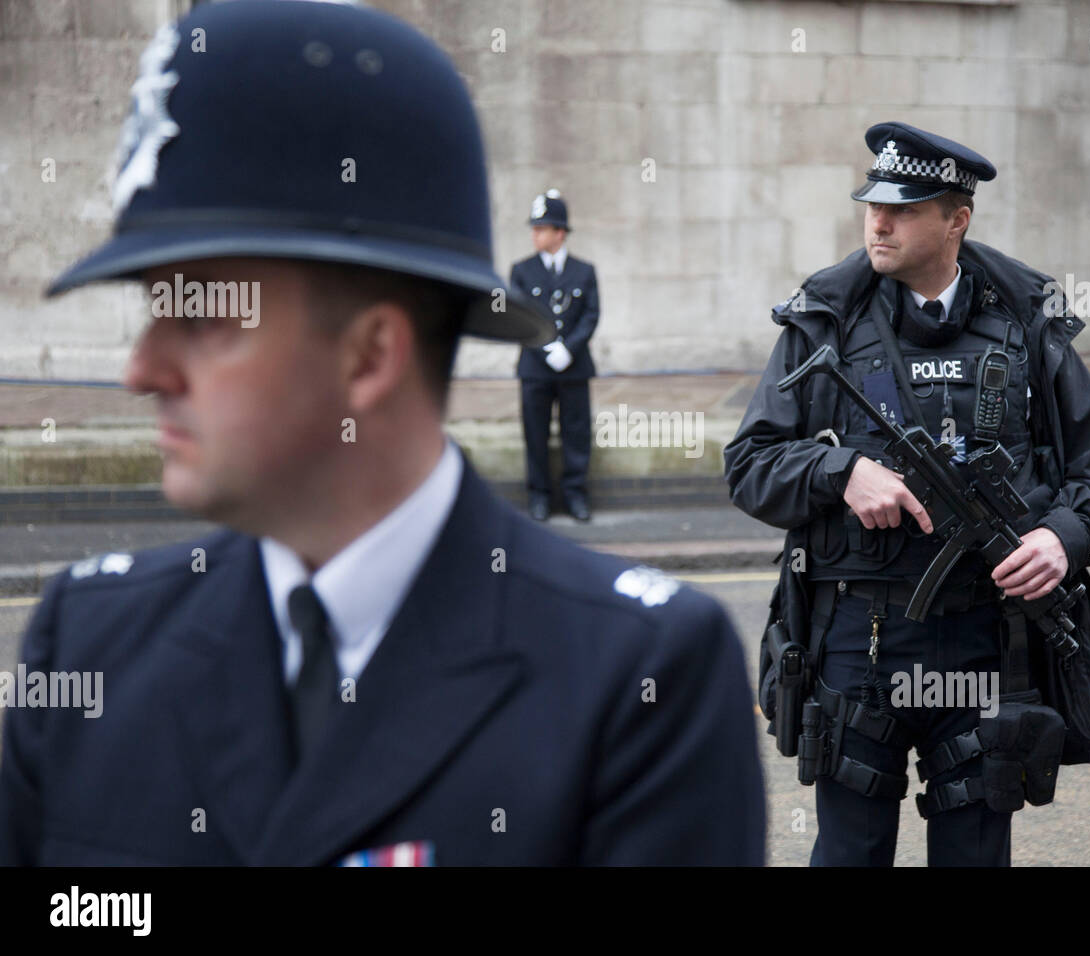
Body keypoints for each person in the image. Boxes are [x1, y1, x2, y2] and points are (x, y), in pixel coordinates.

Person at [0, 0, 764, 866]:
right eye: (153, 306)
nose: (141, 369)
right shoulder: (91, 641)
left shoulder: (637, 682)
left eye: (201, 312)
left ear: (370, 356)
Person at [724, 121, 1090, 867]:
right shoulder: (825, 320)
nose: (879, 222)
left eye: (906, 208)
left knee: (976, 851)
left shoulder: (1027, 327)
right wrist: (840, 473)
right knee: (850, 851)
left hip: (987, 639)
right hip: (859, 640)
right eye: (873, 205)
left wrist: (1061, 540)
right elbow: (750, 464)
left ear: (958, 218)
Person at [512, 191, 600, 522]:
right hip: (535, 367)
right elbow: (520, 315)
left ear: (559, 233)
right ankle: (539, 495)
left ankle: (575, 495)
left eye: (541, 228)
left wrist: (569, 348)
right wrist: (547, 347)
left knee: (575, 432)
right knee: (535, 432)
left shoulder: (584, 271)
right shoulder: (522, 270)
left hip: (574, 367)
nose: (535, 234)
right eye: (534, 228)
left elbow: (591, 314)